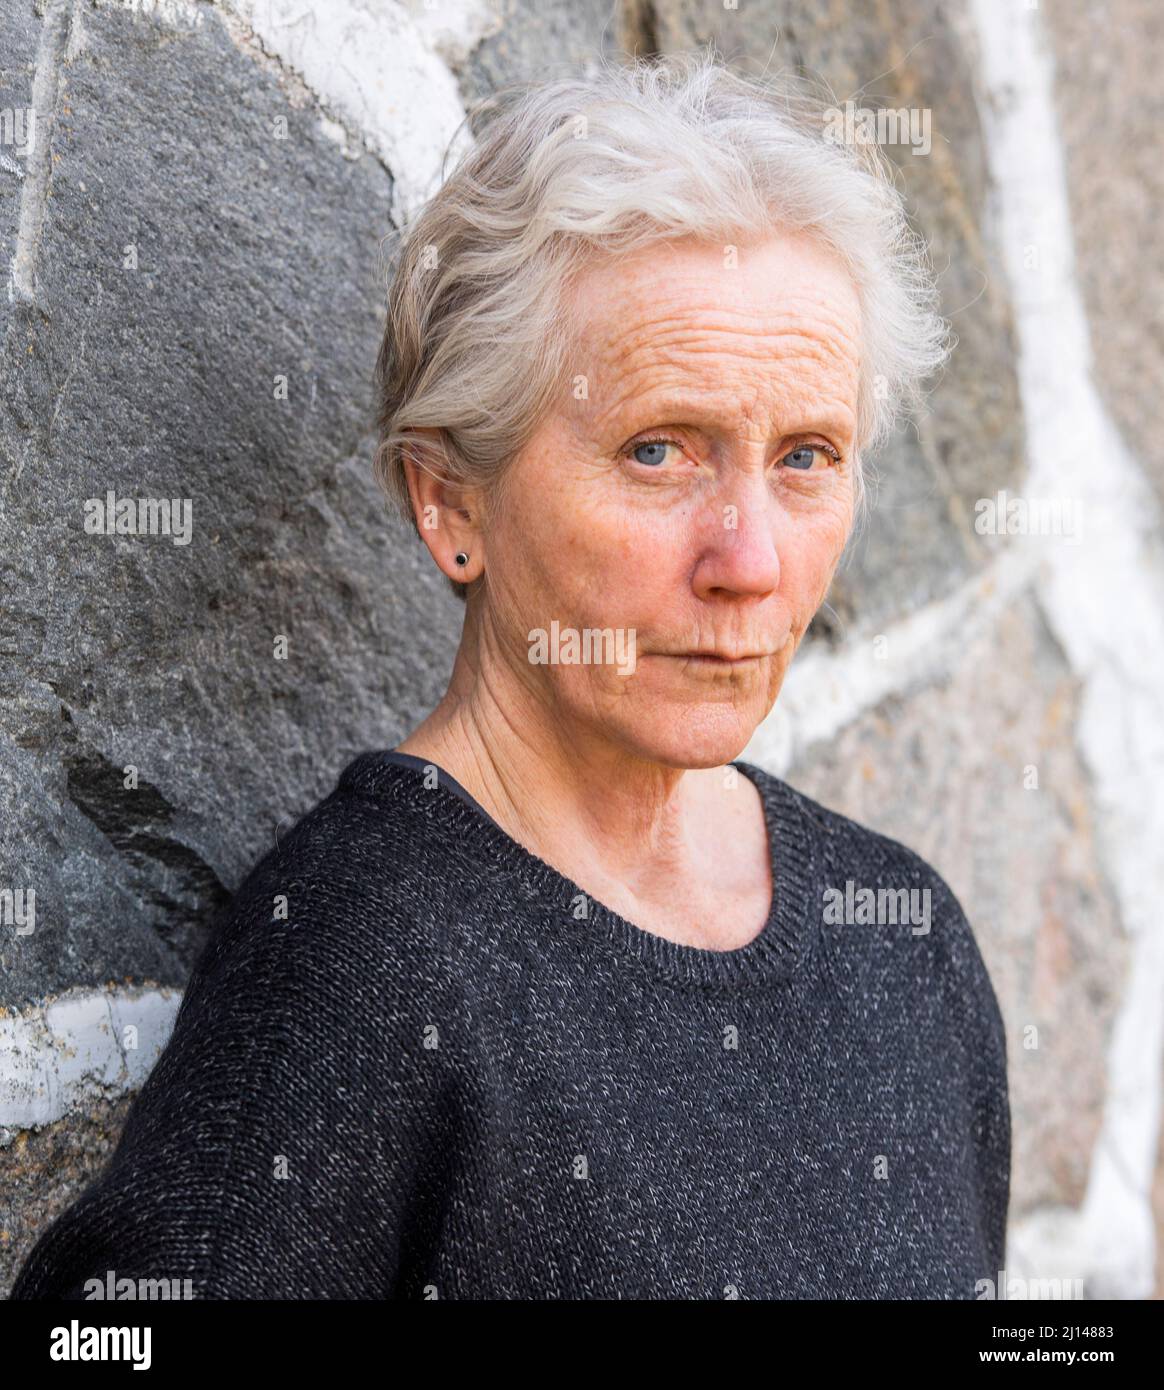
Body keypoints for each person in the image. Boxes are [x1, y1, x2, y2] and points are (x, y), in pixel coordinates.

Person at [12, 51, 1009, 1300]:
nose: (749, 560)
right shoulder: (354, 965)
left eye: (807, 455)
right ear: (450, 501)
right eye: (659, 449)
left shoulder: (901, 940)